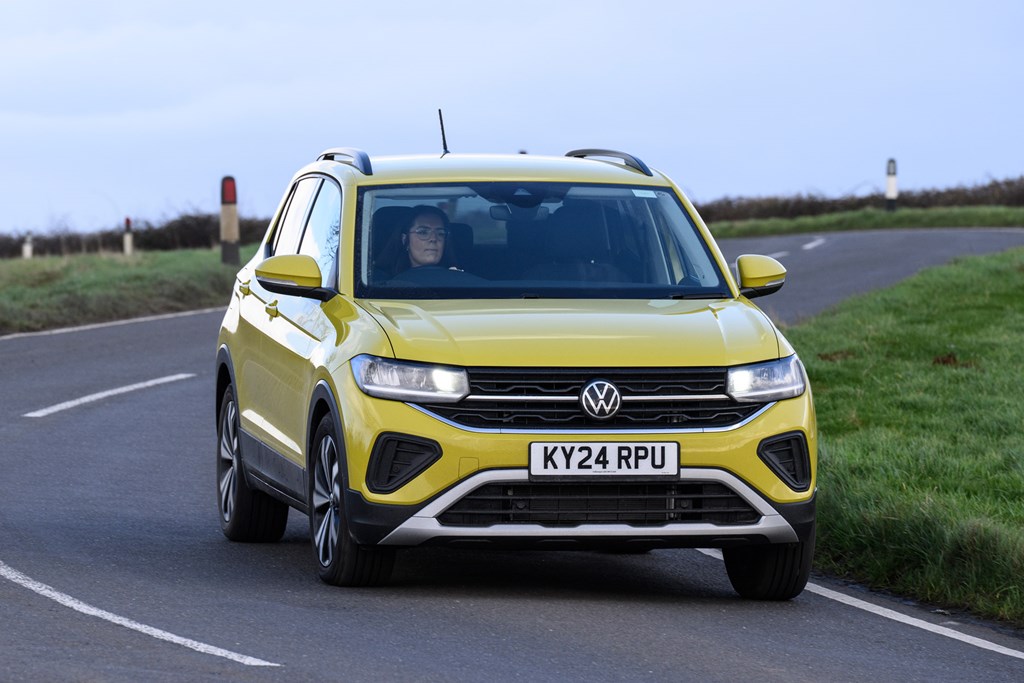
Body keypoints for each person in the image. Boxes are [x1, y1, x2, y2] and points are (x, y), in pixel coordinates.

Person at [389, 205, 457, 275]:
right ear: (405, 239)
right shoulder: (388, 283)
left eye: (440, 233)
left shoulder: (459, 280)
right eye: (423, 232)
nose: (433, 239)